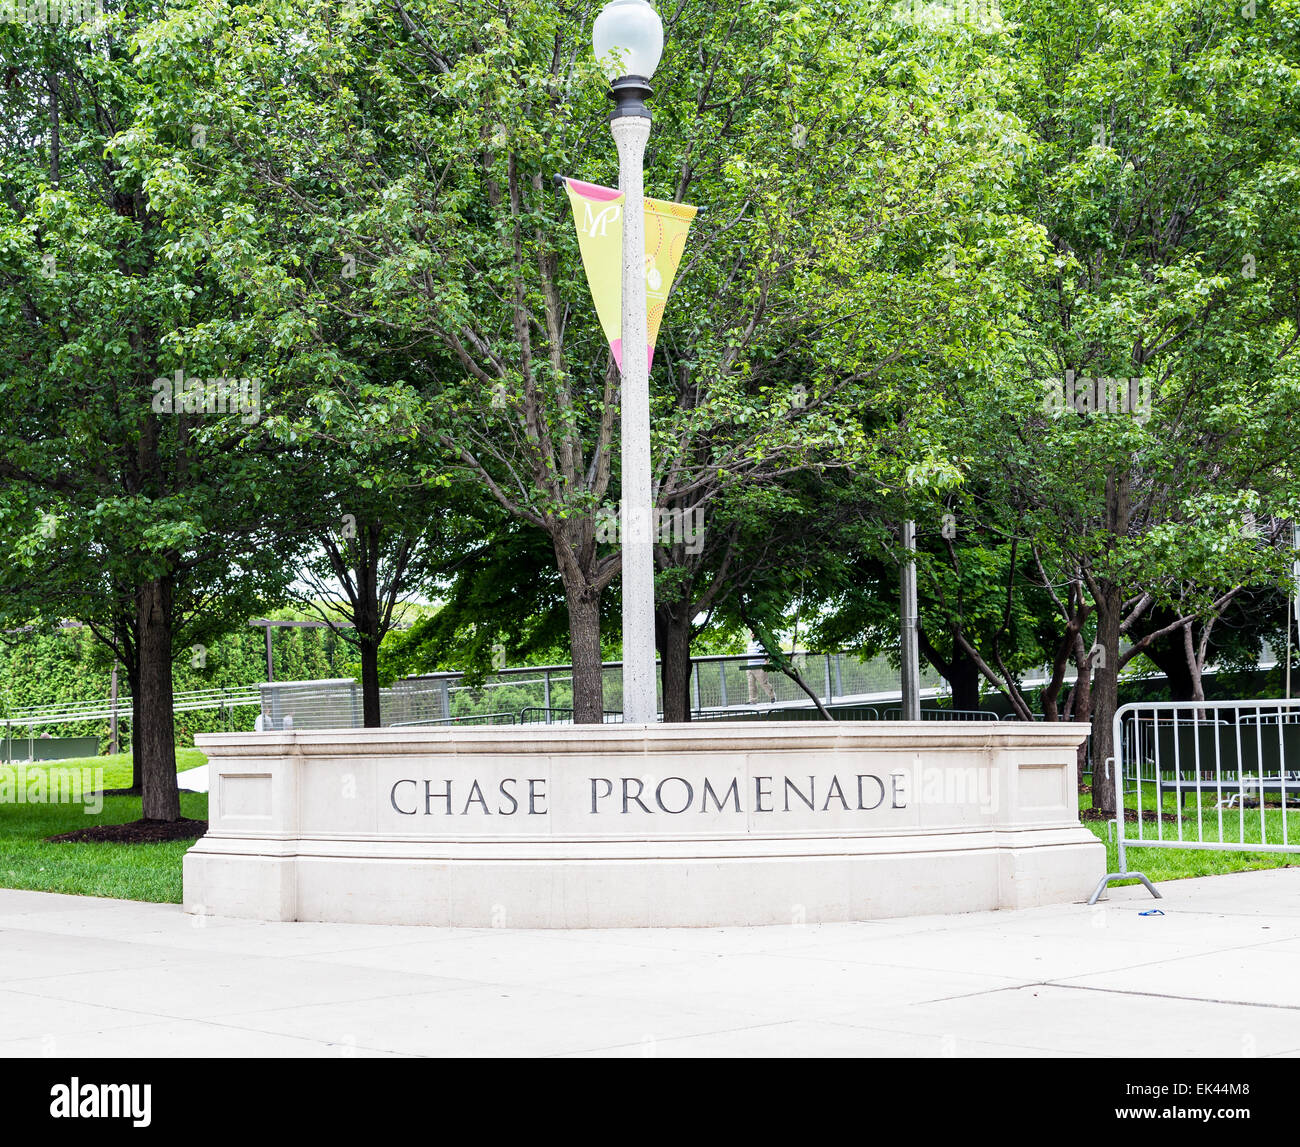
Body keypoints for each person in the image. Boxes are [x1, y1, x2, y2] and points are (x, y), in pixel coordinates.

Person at [746, 632, 777, 704]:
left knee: (764, 683)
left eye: (753, 632)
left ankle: (772, 696)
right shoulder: (749, 643)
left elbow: (768, 653)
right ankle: (752, 700)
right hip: (750, 666)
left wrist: (766, 662)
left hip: (760, 667)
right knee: (751, 684)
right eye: (751, 633)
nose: (752, 634)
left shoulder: (762, 642)